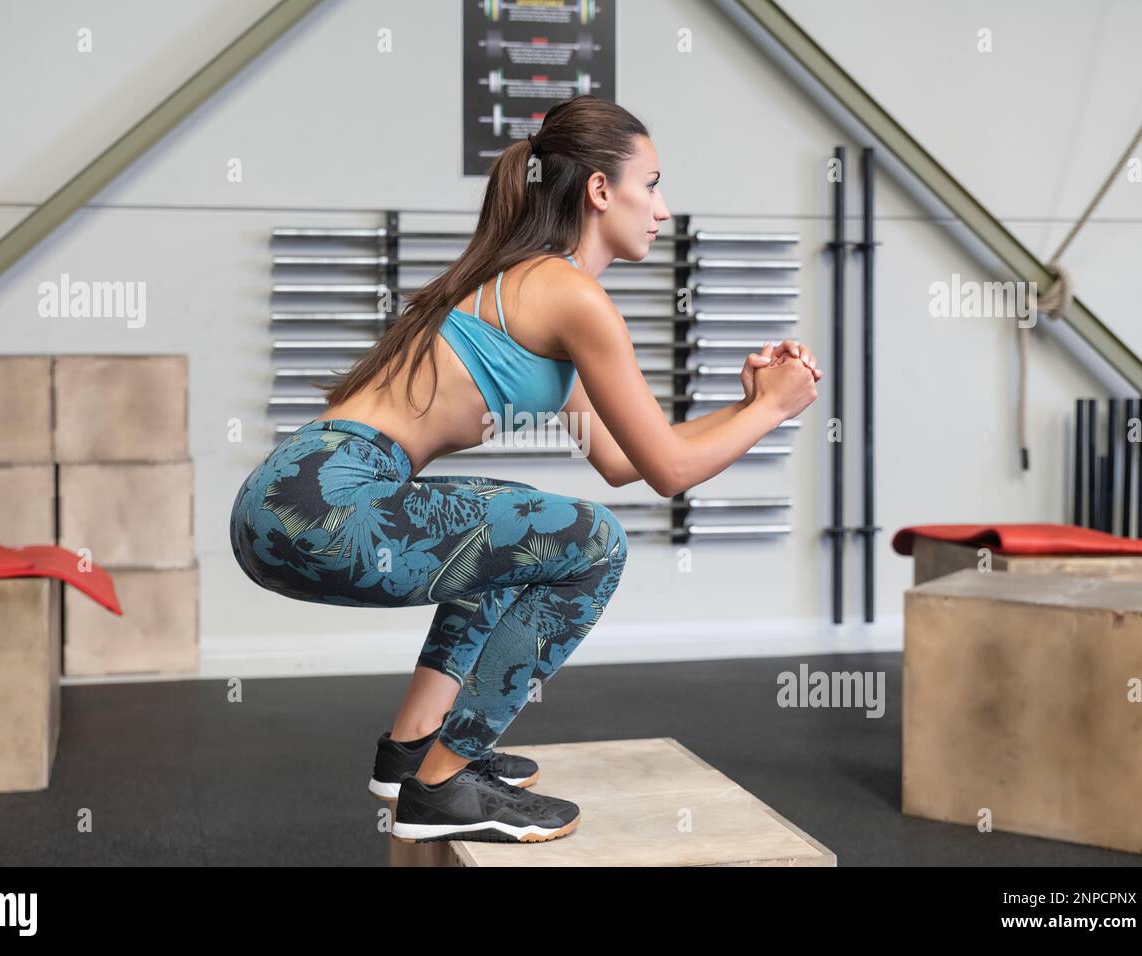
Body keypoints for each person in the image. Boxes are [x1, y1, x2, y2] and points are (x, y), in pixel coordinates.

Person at [229, 95, 821, 845]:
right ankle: (441, 786)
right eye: (653, 183)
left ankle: (411, 750)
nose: (663, 211)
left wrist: (750, 405)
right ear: (602, 191)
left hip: (290, 495)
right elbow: (671, 474)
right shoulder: (573, 297)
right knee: (591, 541)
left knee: (525, 521)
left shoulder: (525, 285)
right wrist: (772, 411)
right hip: (326, 504)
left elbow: (625, 458)